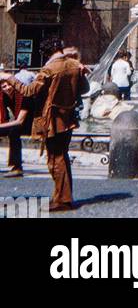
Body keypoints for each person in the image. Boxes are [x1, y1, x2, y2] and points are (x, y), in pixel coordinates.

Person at [0, 42, 89, 211]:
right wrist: (82, 74)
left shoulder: (49, 69)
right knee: (62, 157)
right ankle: (61, 196)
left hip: (52, 120)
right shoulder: (74, 65)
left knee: (55, 160)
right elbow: (85, 89)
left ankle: (63, 200)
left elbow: (28, 91)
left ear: (45, 53)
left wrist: (8, 77)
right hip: (69, 118)